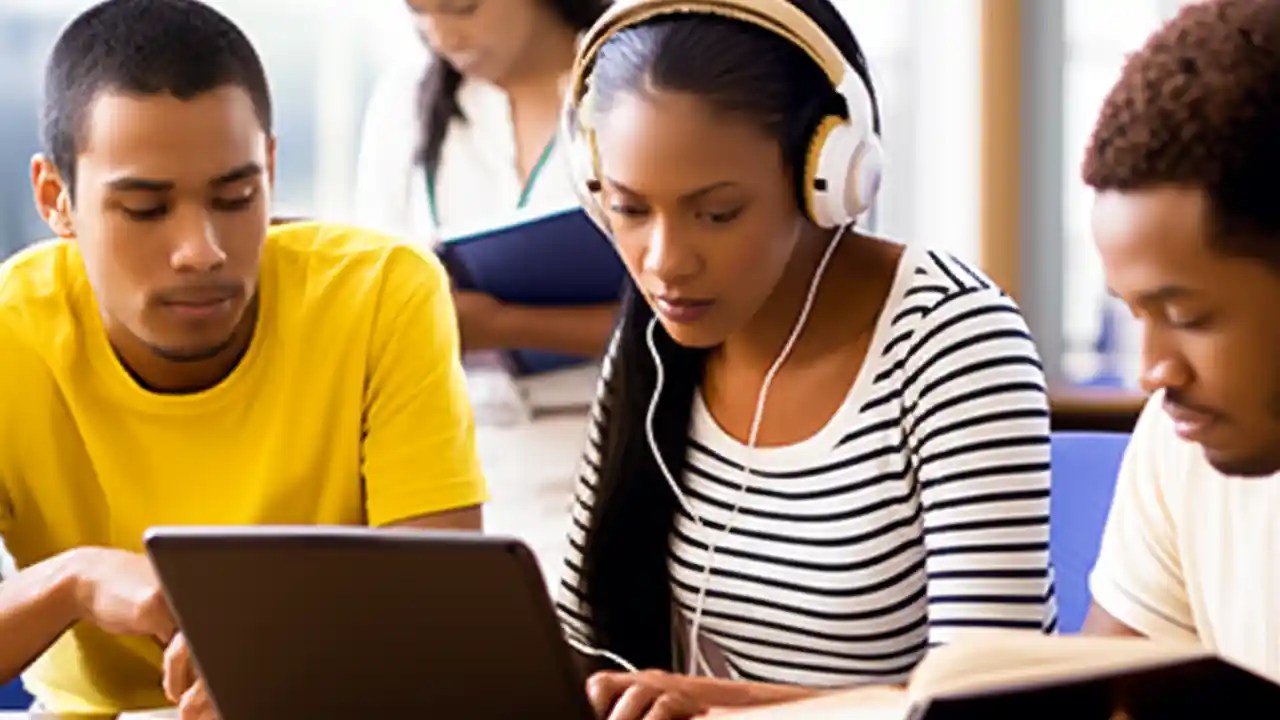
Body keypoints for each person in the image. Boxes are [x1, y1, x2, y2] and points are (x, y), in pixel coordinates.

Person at [553, 1, 1057, 717]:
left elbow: (994, 705)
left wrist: (736, 708)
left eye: (718, 213)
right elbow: (581, 639)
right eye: (630, 210)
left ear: (828, 177)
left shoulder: (952, 340)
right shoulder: (659, 345)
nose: (664, 263)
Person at [0, 0, 486, 716]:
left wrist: (288, 678)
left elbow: (442, 624)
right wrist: (73, 581)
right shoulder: (13, 330)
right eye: (145, 209)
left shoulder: (383, 292)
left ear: (270, 165)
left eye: (235, 196)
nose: (203, 250)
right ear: (56, 199)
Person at [354, 0, 615, 579]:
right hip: (469, 470)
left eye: (462, 8)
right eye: (418, 13)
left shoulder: (632, 84)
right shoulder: (404, 105)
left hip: (620, 463)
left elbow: (698, 315)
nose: (441, 33)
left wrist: (503, 326)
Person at [1080, 0, 1280, 683]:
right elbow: (1111, 698)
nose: (1153, 372)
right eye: (1138, 314)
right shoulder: (1180, 440)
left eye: (1188, 315)